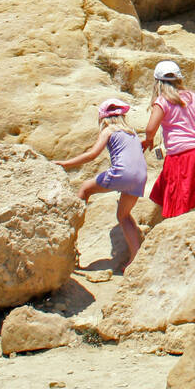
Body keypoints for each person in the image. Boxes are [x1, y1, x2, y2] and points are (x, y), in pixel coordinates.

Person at [56, 99, 146, 268]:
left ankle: (69, 231)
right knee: (124, 216)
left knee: (85, 189)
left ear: (103, 118)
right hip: (140, 176)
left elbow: (92, 155)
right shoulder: (131, 132)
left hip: (122, 173)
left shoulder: (109, 130)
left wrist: (66, 164)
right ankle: (135, 258)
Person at [142, 60, 195, 219]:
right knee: (170, 194)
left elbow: (150, 129)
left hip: (179, 156)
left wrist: (149, 140)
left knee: (177, 205)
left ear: (158, 83)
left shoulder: (162, 100)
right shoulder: (194, 98)